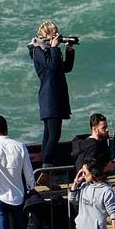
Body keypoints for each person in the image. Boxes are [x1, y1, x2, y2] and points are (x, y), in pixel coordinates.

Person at [27, 23, 80, 170]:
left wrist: (69, 51)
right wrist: (55, 48)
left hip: (56, 96)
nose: (57, 35)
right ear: (46, 35)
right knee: (54, 135)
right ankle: (47, 168)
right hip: (49, 97)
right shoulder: (38, 50)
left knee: (48, 135)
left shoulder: (48, 49)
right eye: (54, 33)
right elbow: (53, 65)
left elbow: (65, 68)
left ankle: (46, 171)